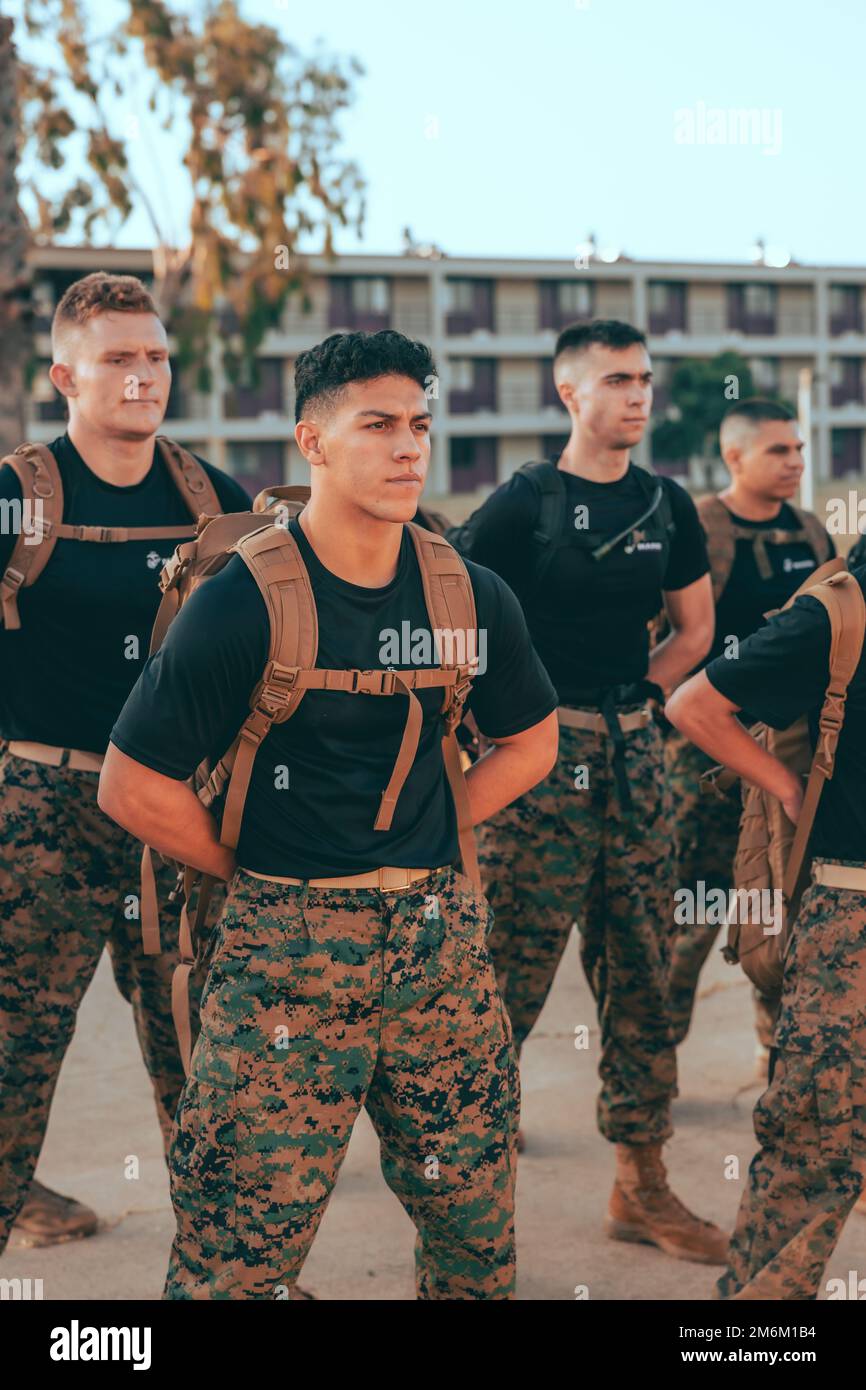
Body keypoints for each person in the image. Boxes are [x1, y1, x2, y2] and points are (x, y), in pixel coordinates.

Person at [97, 329, 560, 1300]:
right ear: (311, 442)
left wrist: (435, 829)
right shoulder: (244, 602)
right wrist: (255, 867)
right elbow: (133, 782)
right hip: (284, 956)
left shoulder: (467, 592)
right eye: (377, 425)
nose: (406, 448)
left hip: (439, 947)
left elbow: (531, 740)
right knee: (235, 1252)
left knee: (476, 1239)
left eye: (420, 426)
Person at [447, 319, 727, 1264]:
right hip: (539, 767)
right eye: (619, 379)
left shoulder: (665, 504)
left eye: (647, 378)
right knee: (505, 985)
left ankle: (640, 1187)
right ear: (572, 394)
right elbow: (460, 617)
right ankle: (473, 1216)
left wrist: (642, 695)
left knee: (644, 978)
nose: (640, 396)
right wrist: (509, 719)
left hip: (637, 762)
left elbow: (696, 629)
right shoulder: (525, 502)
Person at [0, 273, 250, 1253]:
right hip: (42, 804)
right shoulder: (18, 498)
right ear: (65, 372)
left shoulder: (213, 498)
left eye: (155, 355)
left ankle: (231, 1263)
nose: (144, 375)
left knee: (199, 1040)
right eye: (118, 358)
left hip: (172, 807)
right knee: (18, 1045)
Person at [666, 564, 866, 1298]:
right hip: (852, 919)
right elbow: (696, 706)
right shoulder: (835, 615)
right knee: (816, 1146)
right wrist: (789, 789)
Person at [664, 399, 834, 1067]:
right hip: (702, 757)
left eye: (798, 449)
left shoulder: (814, 536)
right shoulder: (700, 533)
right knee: (692, 918)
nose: (795, 462)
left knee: (780, 907)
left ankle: (781, 1056)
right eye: (778, 451)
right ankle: (657, 1063)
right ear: (734, 458)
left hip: (785, 755)